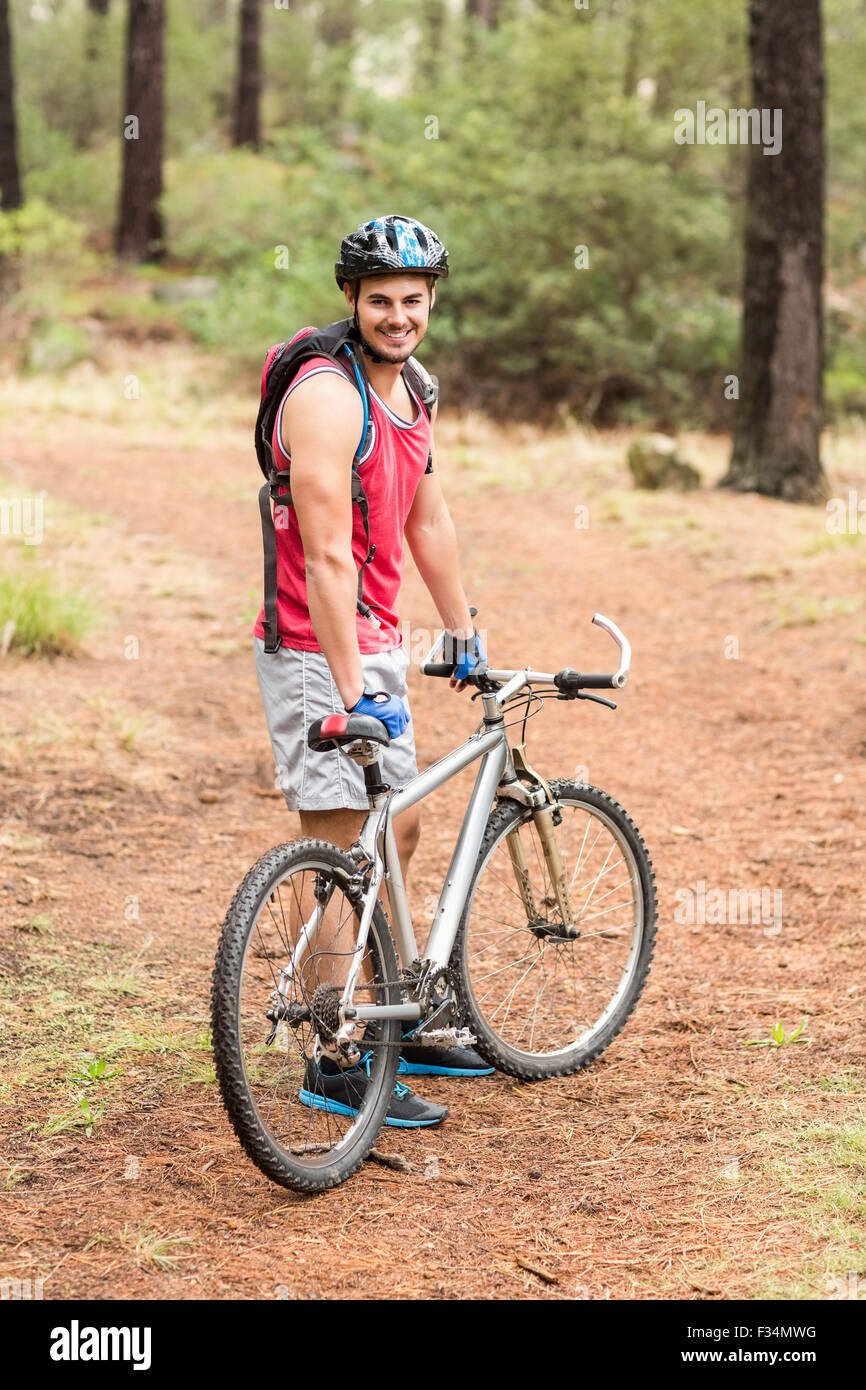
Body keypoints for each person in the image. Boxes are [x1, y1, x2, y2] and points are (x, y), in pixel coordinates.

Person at [252, 215, 490, 1127]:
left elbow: (427, 520)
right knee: (344, 848)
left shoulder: (414, 390)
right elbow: (325, 560)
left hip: (377, 638)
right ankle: (332, 1052)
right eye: (381, 300)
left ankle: (390, 1006)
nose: (399, 316)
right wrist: (354, 695)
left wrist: (460, 629)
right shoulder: (324, 396)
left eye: (414, 301)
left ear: (431, 305)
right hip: (318, 648)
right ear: (351, 300)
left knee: (404, 828)